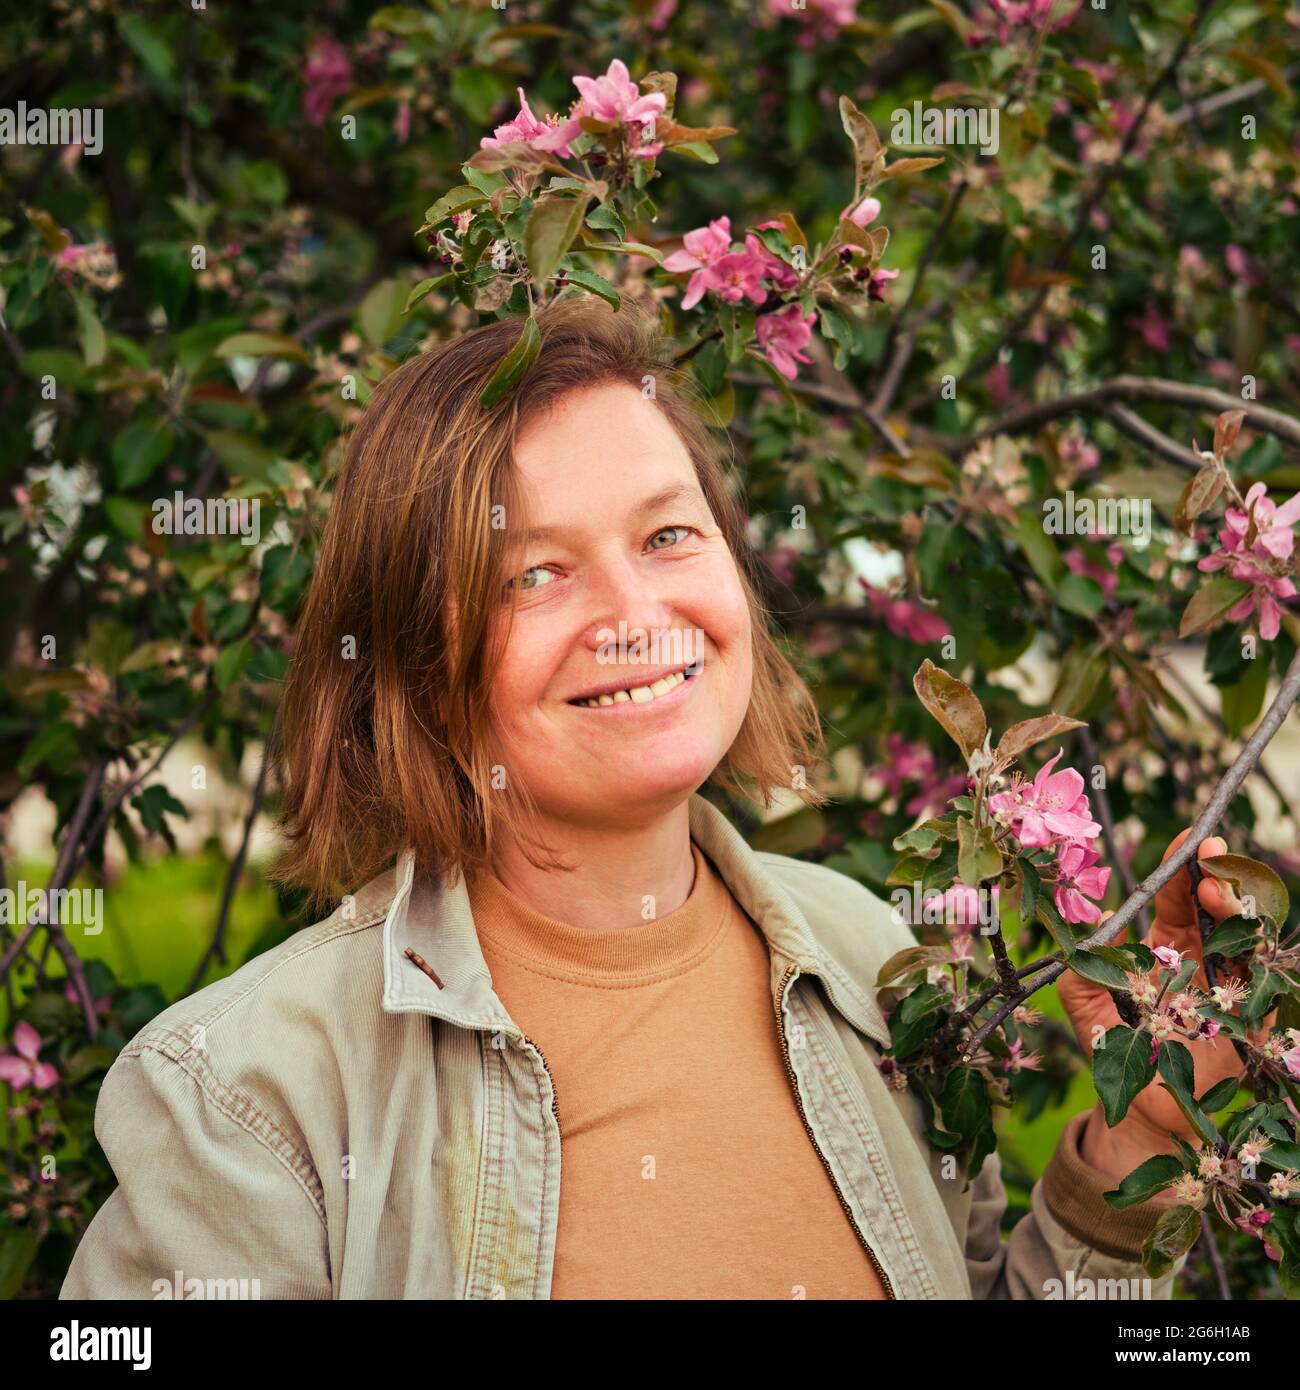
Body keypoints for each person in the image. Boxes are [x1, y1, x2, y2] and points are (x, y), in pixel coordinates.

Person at [61, 295, 1248, 1300]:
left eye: (669, 534)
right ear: (420, 656)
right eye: (534, 570)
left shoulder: (870, 962)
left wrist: (1126, 1161)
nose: (633, 613)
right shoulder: (242, 1100)